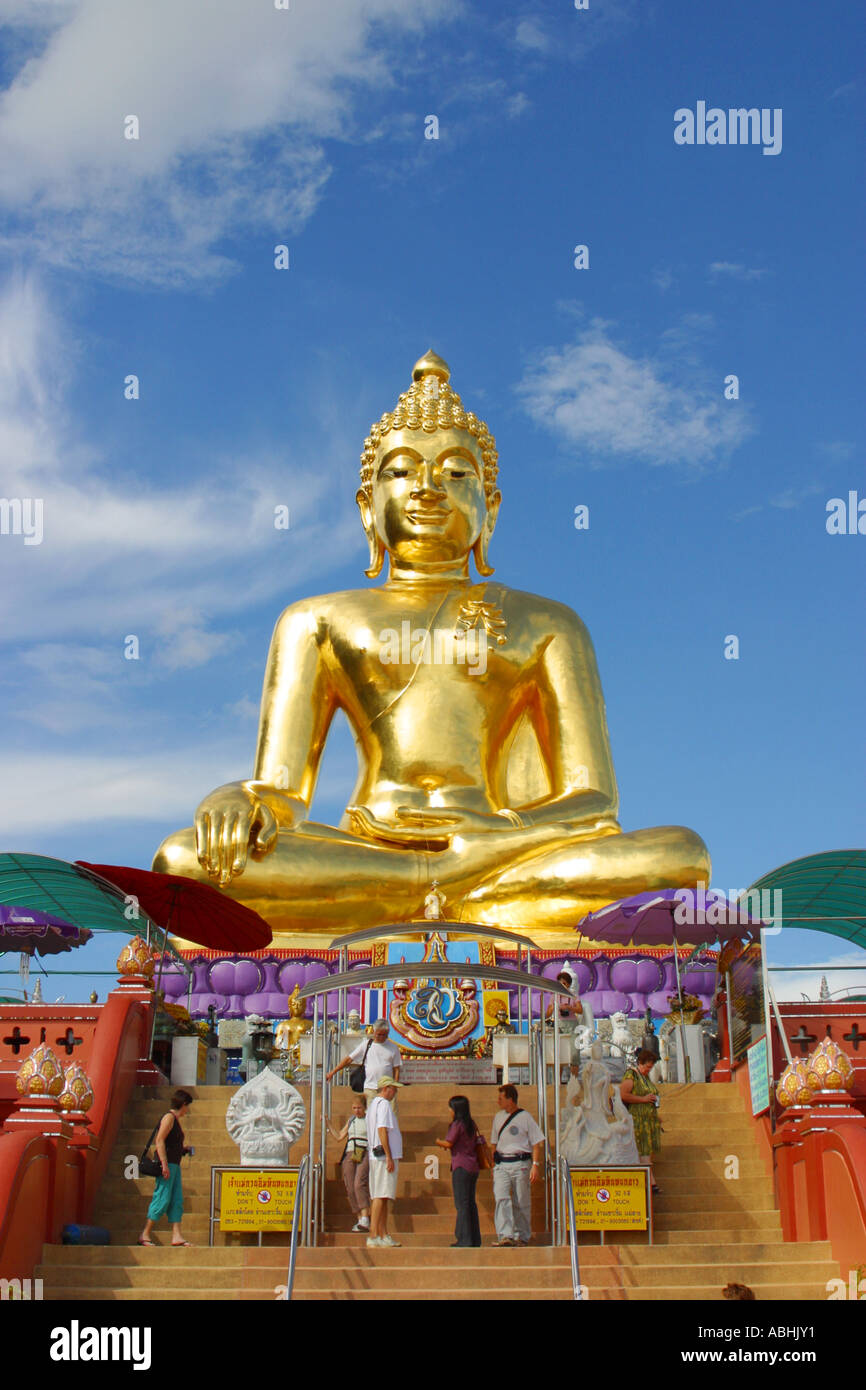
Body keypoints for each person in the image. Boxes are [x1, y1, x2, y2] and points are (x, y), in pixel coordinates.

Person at [154, 351, 710, 940]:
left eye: (455, 472)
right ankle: (452, 891)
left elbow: (592, 799)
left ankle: (423, 892)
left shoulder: (548, 622)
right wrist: (240, 798)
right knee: (184, 860)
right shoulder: (313, 620)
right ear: (368, 510)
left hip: (502, 844)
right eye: (401, 471)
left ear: (488, 510)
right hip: (369, 846)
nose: (428, 488)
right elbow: (284, 791)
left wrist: (501, 833)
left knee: (681, 857)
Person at [490, 1084, 544, 1248]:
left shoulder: (525, 1117)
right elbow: (494, 1143)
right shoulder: (498, 1117)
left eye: (501, 1098)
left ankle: (522, 1235)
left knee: (521, 1200)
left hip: (520, 1163)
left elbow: (537, 1143)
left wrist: (535, 1165)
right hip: (502, 1164)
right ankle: (505, 1235)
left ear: (510, 1099)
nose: (498, 1101)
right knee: (501, 1198)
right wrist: (494, 1164)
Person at [138, 1089, 194, 1247]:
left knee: (176, 1200)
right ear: (183, 1105)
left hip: (174, 1164)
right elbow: (160, 1140)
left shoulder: (175, 1120)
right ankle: (145, 1233)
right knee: (162, 1198)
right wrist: (163, 1164)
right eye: (187, 1106)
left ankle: (177, 1235)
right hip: (167, 1164)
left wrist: (183, 1149)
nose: (187, 1110)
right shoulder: (169, 1118)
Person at [435, 1095, 482, 1248]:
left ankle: (464, 1239)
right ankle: (474, 1239)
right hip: (473, 1166)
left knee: (461, 1204)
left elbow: (449, 1143)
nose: (449, 1111)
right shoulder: (471, 1124)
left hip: (461, 1166)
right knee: (470, 1203)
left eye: (450, 1108)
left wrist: (437, 1141)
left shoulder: (457, 1125)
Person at [327, 1018, 402, 1108]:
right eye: (379, 1034)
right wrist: (332, 1072)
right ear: (374, 1032)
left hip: (387, 1089)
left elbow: (396, 1069)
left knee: (389, 1115)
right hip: (370, 1089)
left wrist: (394, 1087)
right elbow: (349, 1059)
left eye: (384, 1035)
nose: (381, 1037)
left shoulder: (393, 1048)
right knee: (370, 1116)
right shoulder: (366, 1045)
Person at [366, 1076, 404, 1248]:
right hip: (382, 1156)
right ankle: (373, 1234)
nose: (395, 1092)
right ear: (386, 1088)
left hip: (377, 1156)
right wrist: (388, 1155)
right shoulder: (384, 1105)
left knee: (383, 1195)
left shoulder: (374, 1105)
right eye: (393, 1088)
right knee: (380, 1196)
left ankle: (383, 1233)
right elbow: (382, 1130)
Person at [620, 1048, 662, 1191]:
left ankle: (649, 1181)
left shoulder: (646, 1077)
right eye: (647, 1066)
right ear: (641, 1063)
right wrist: (643, 1099)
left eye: (651, 1067)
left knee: (647, 1151)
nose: (648, 1070)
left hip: (649, 1119)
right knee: (643, 1150)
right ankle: (651, 1182)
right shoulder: (631, 1075)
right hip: (638, 1119)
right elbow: (624, 1095)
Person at [328, 1094, 371, 1233]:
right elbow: (340, 1136)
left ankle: (365, 1216)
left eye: (359, 1108)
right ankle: (359, 1218)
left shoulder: (369, 1120)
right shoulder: (351, 1120)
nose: (356, 1110)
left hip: (364, 1150)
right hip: (351, 1152)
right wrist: (328, 1124)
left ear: (364, 1108)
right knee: (350, 1185)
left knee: (359, 1183)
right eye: (354, 1108)